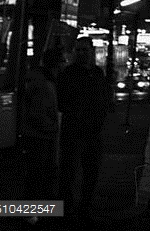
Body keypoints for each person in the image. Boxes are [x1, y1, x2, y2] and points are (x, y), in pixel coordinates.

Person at [58, 37, 113, 222]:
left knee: (91, 171)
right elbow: (63, 100)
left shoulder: (97, 73)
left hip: (92, 131)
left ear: (91, 52)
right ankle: (68, 207)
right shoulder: (69, 73)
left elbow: (104, 97)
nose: (81, 54)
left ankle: (84, 206)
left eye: (84, 50)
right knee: (69, 171)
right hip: (73, 129)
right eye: (78, 50)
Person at [20, 48, 63, 220]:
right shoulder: (44, 84)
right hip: (41, 138)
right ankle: (32, 216)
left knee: (35, 176)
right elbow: (38, 114)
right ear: (55, 65)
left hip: (36, 136)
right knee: (38, 177)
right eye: (60, 63)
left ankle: (32, 214)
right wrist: (52, 128)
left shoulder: (38, 80)